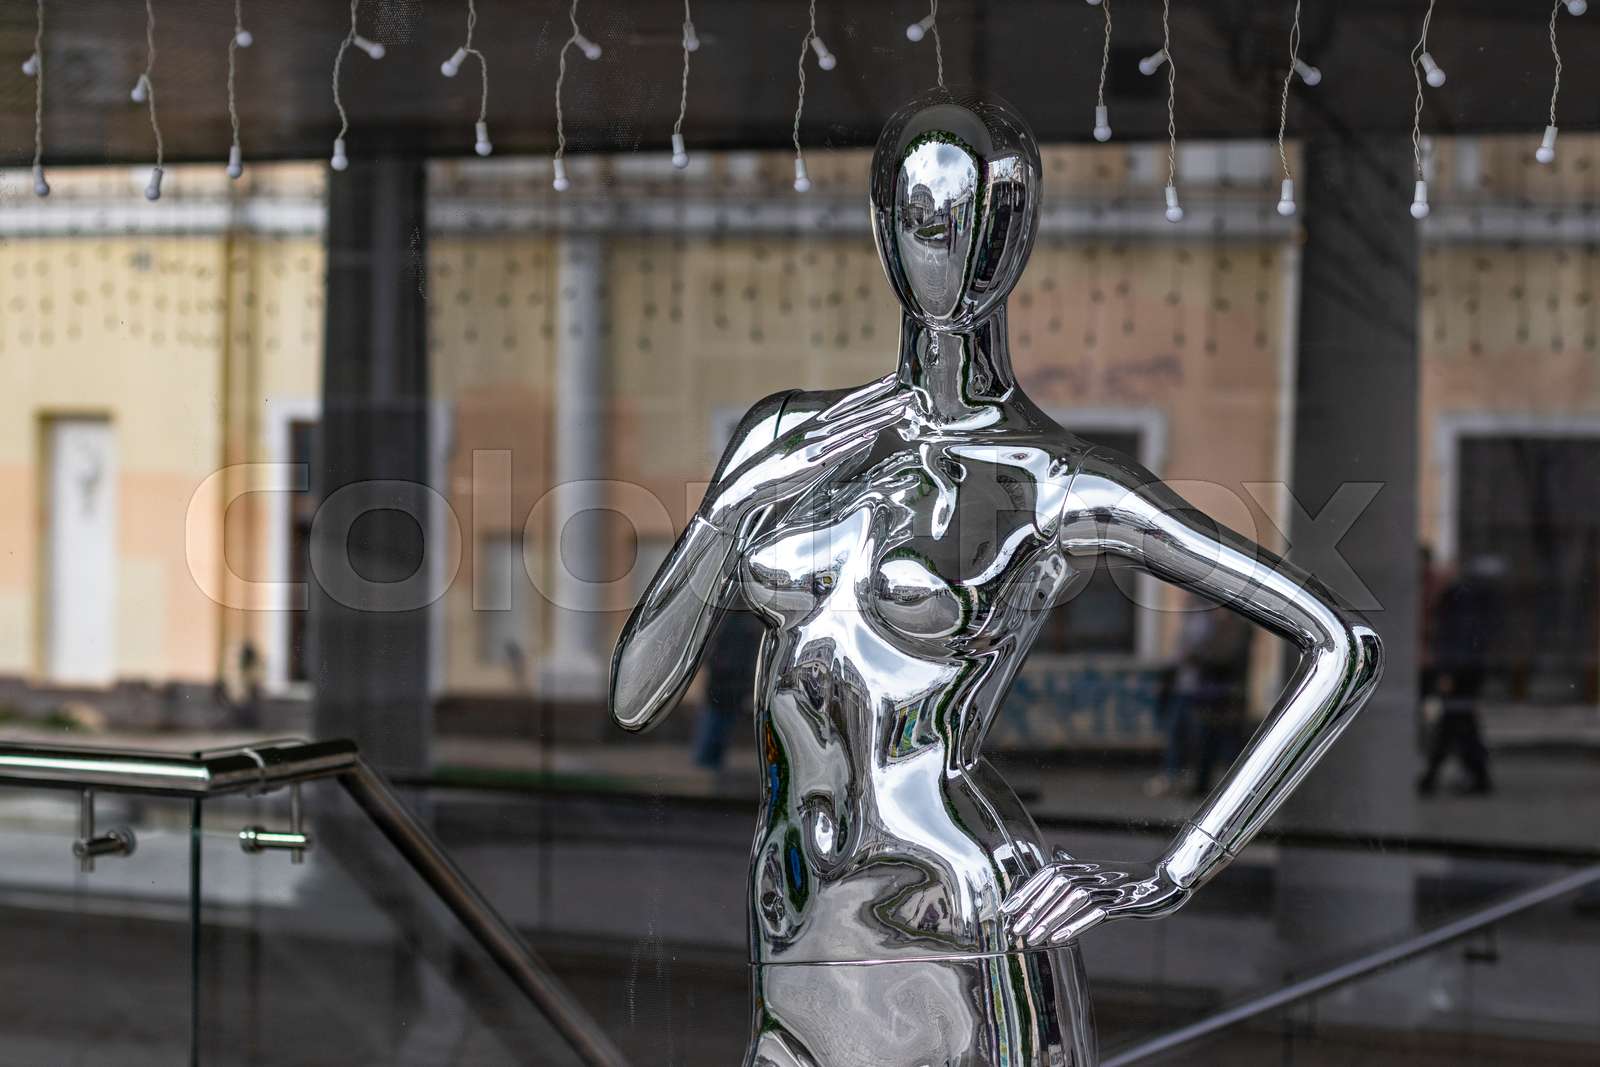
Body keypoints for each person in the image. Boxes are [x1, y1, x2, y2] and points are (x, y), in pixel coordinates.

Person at [610, 89, 1383, 1067]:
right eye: (916, 209)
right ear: (880, 224)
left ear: (1018, 235)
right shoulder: (781, 436)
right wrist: (732, 507)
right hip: (792, 908)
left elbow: (1337, 641)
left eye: (977, 214)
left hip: (960, 903)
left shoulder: (1054, 480)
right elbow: (636, 695)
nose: (942, 237)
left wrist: (1170, 871)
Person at [1418, 555, 1502, 795]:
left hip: (1461, 672)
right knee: (1461, 723)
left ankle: (1435, 777)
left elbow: (1458, 638)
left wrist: (1448, 673)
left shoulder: (1458, 599)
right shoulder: (1460, 598)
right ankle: (1475, 775)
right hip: (1466, 670)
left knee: (1454, 723)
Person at [692, 608, 762, 772]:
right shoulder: (745, 625)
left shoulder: (732, 623)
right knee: (714, 729)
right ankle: (706, 767)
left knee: (717, 730)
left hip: (726, 686)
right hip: (725, 685)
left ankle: (708, 767)